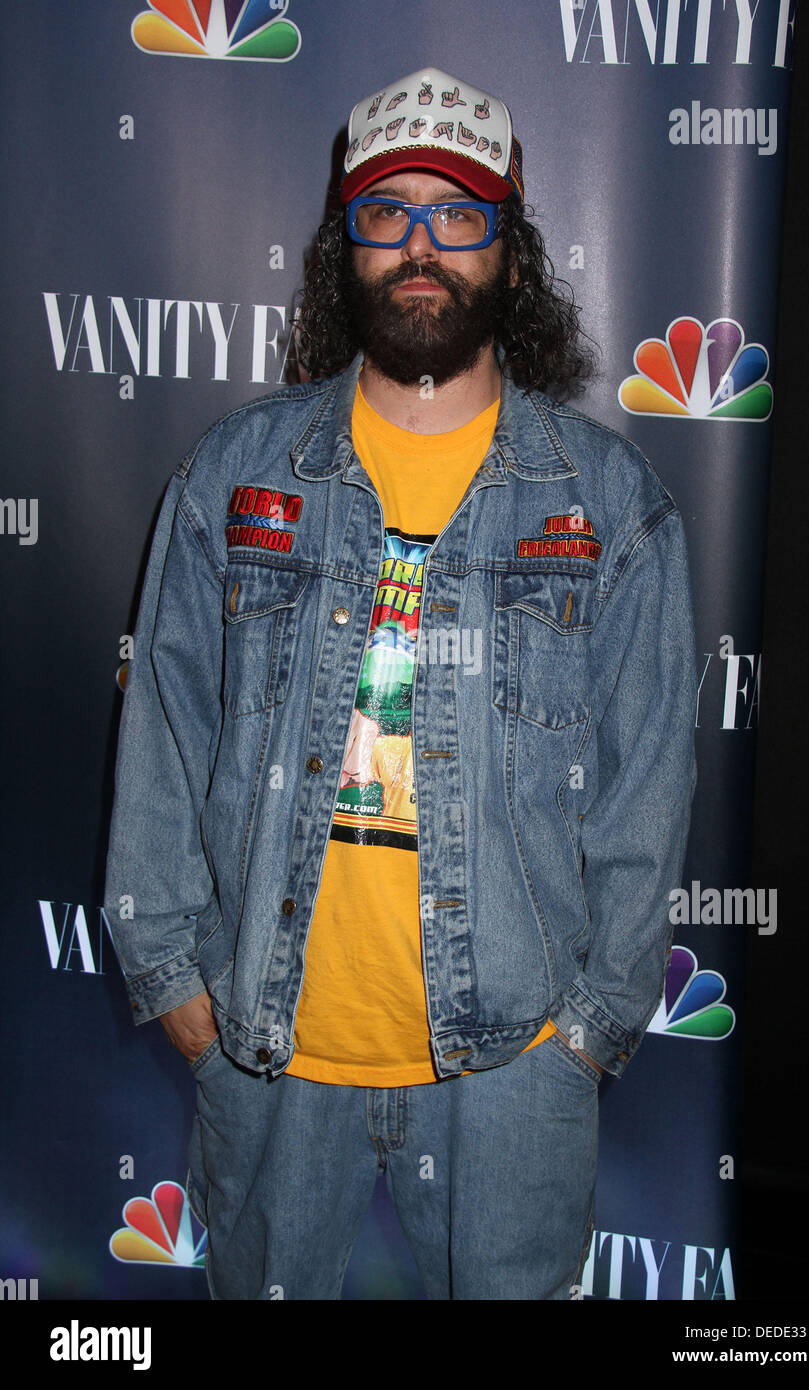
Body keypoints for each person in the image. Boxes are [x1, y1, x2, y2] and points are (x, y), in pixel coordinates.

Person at [105, 66, 697, 1301]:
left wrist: (586, 1032)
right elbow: (165, 727)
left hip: (513, 1071)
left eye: (458, 212)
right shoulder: (233, 476)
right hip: (270, 1060)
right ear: (342, 251)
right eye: (386, 213)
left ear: (512, 255)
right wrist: (171, 983)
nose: (421, 244)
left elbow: (647, 783)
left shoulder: (606, 504)